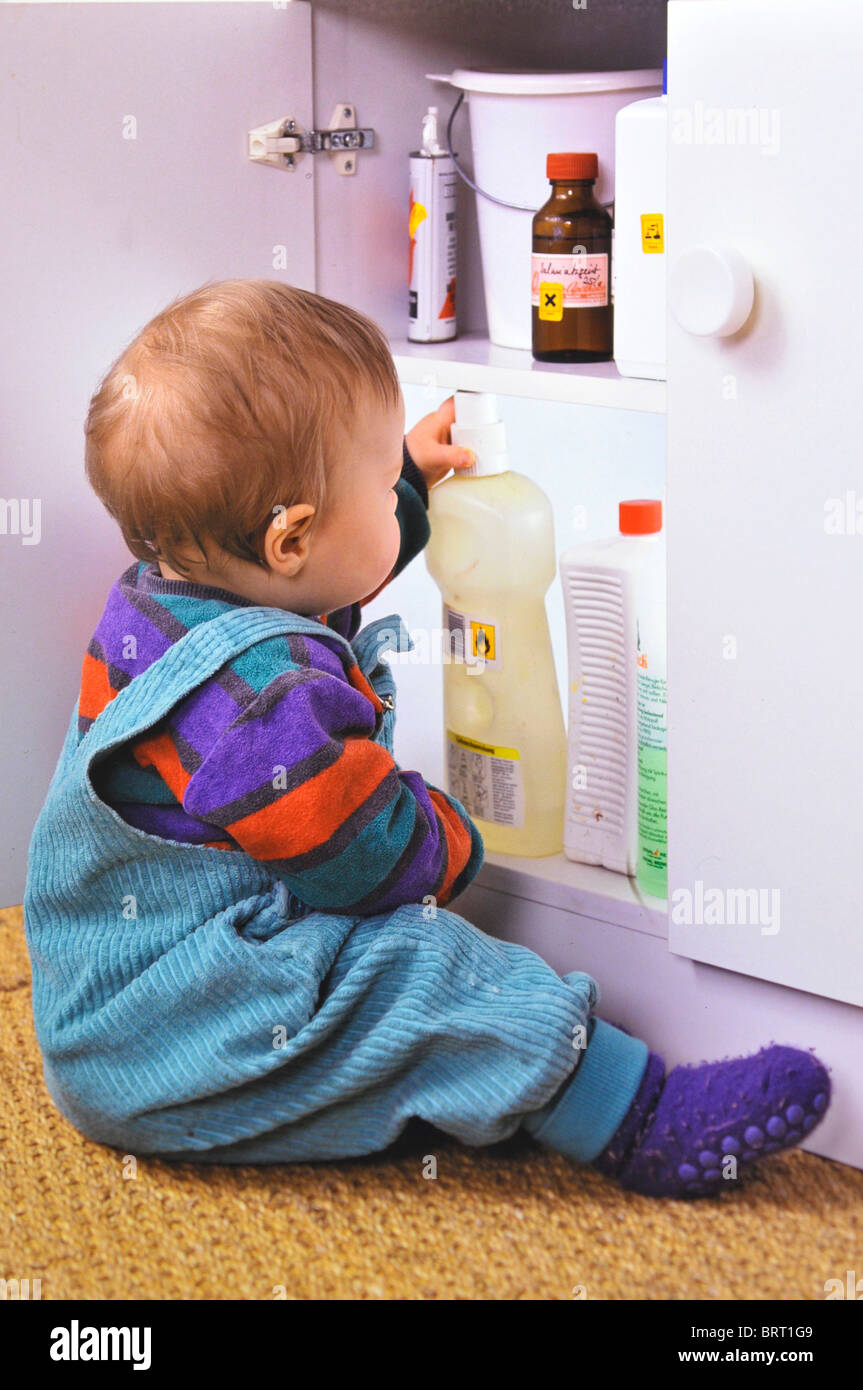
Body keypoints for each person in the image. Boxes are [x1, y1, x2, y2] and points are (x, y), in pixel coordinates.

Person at [22, 280, 831, 1197]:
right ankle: (637, 1116)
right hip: (194, 1033)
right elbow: (364, 865)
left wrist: (398, 476)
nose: (391, 497)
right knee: (425, 965)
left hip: (113, 1008)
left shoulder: (167, 597)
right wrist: (447, 832)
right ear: (290, 538)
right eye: (375, 484)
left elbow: (321, 577)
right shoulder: (261, 702)